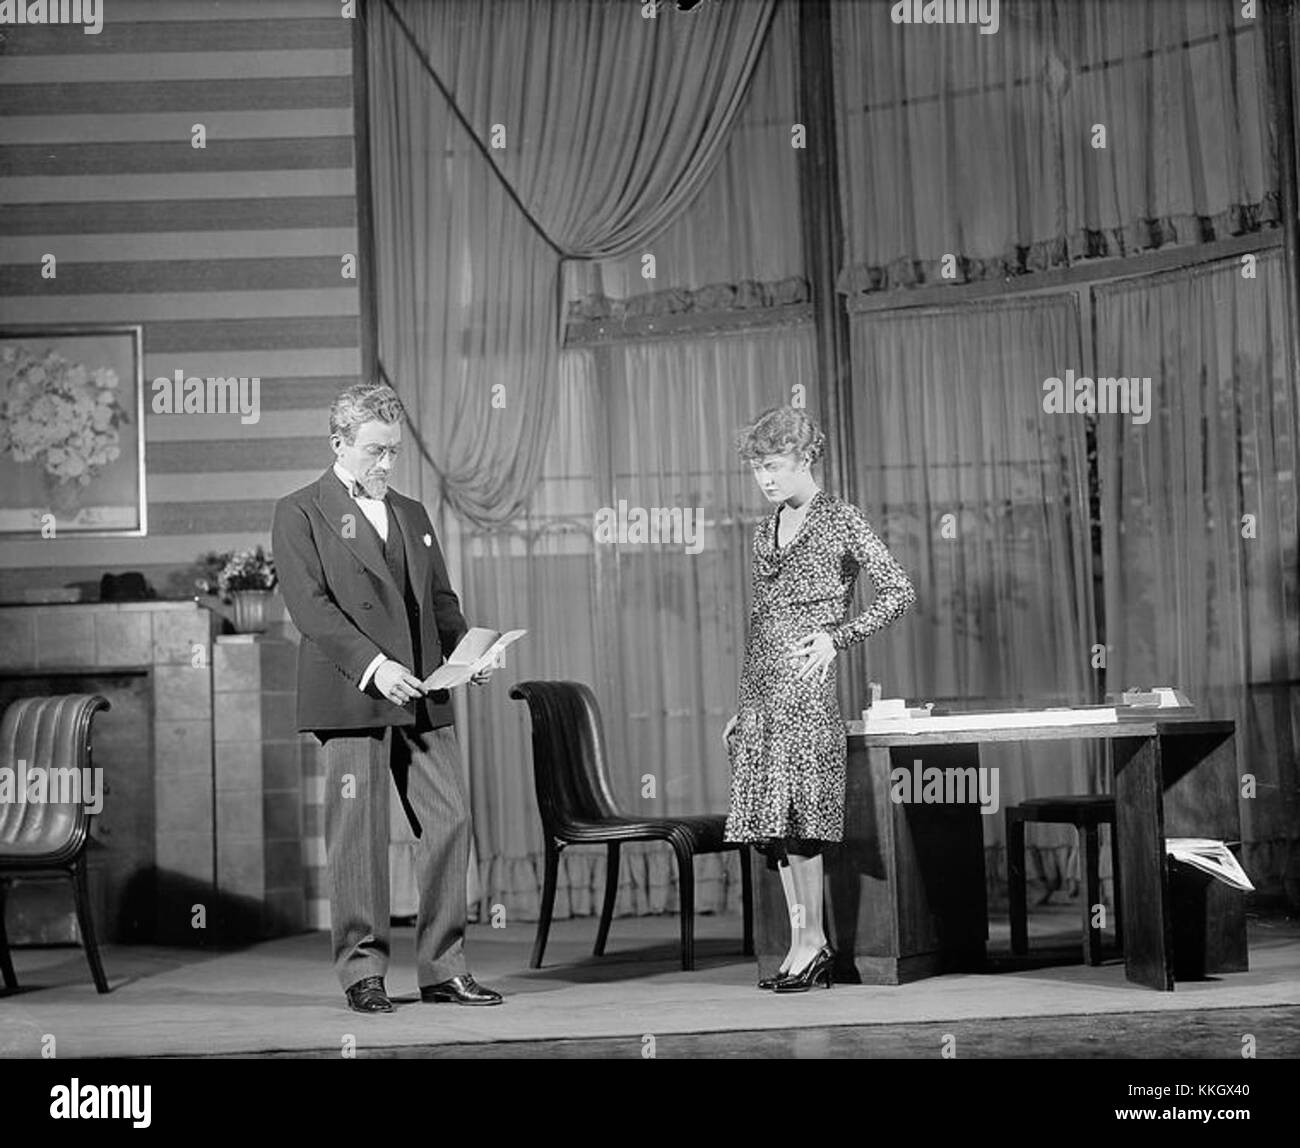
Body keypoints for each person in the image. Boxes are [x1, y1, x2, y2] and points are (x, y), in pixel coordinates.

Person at [272, 382, 502, 1013]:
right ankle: (363, 974)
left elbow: (441, 604)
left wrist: (468, 655)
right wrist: (375, 668)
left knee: (450, 821)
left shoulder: (412, 512)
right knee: (358, 835)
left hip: (424, 692)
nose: (386, 464)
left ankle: (444, 969)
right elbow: (311, 610)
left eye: (394, 451)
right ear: (338, 443)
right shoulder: (299, 511)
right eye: (375, 450)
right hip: (354, 695)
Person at [723, 406, 915, 992]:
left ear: (805, 458)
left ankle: (813, 944)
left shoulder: (840, 519)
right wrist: (745, 701)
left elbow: (898, 591)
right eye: (758, 468)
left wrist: (838, 638)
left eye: (775, 465)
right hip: (763, 688)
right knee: (773, 824)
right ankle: (803, 940)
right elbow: (762, 619)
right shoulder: (764, 529)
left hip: (805, 689)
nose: (766, 479)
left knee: (802, 817)